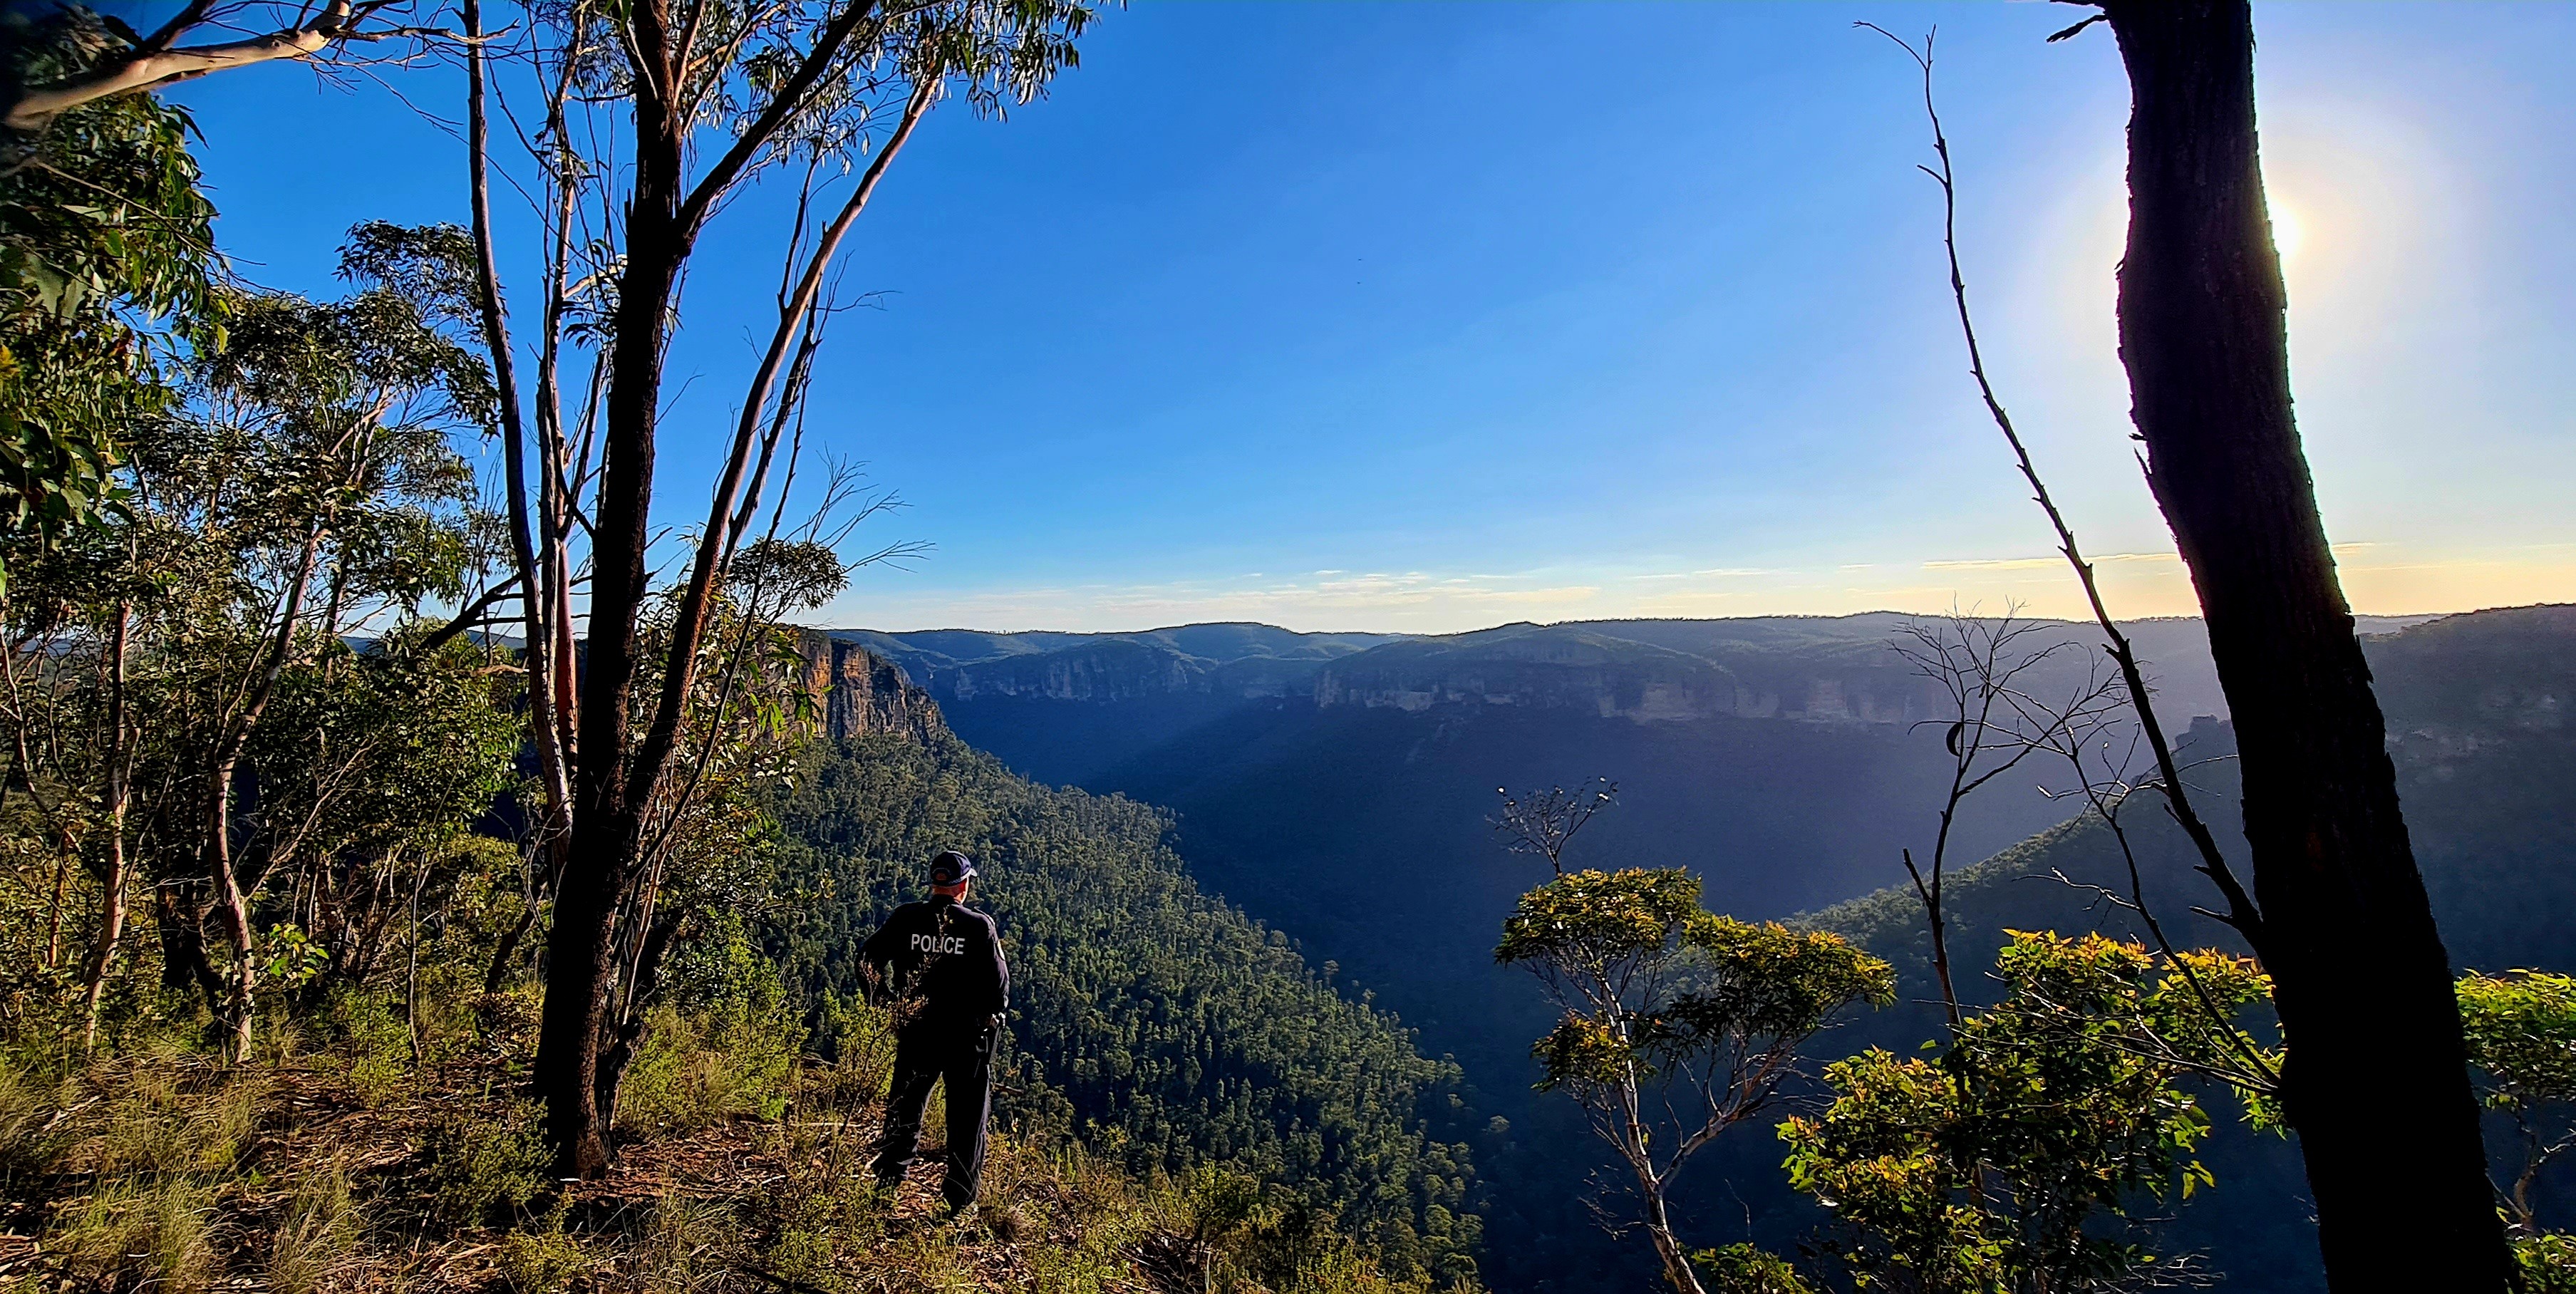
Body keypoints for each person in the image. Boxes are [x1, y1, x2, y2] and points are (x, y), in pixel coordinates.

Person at [860, 849, 1009, 1217]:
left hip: (917, 1033)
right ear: (964, 885)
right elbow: (999, 989)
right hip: (966, 1041)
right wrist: (987, 1018)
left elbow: (867, 961)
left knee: (904, 1110)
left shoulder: (906, 918)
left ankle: (887, 1184)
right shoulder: (978, 926)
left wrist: (887, 1002)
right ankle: (958, 1203)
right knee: (967, 1121)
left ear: (935, 882)